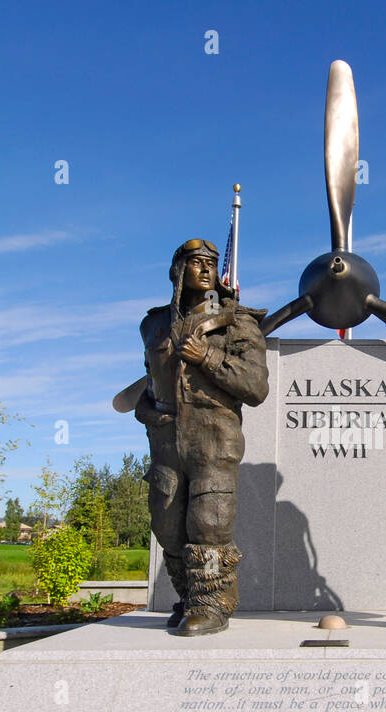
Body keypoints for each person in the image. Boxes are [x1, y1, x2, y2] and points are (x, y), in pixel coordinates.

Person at [134, 238, 268, 635]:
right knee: (167, 525)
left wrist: (206, 356)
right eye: (196, 262)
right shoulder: (153, 324)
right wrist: (145, 410)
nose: (207, 269)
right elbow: (150, 379)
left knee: (209, 524)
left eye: (211, 262)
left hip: (214, 439)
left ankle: (211, 605)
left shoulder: (238, 321)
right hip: (165, 441)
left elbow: (256, 386)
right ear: (178, 271)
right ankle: (187, 596)